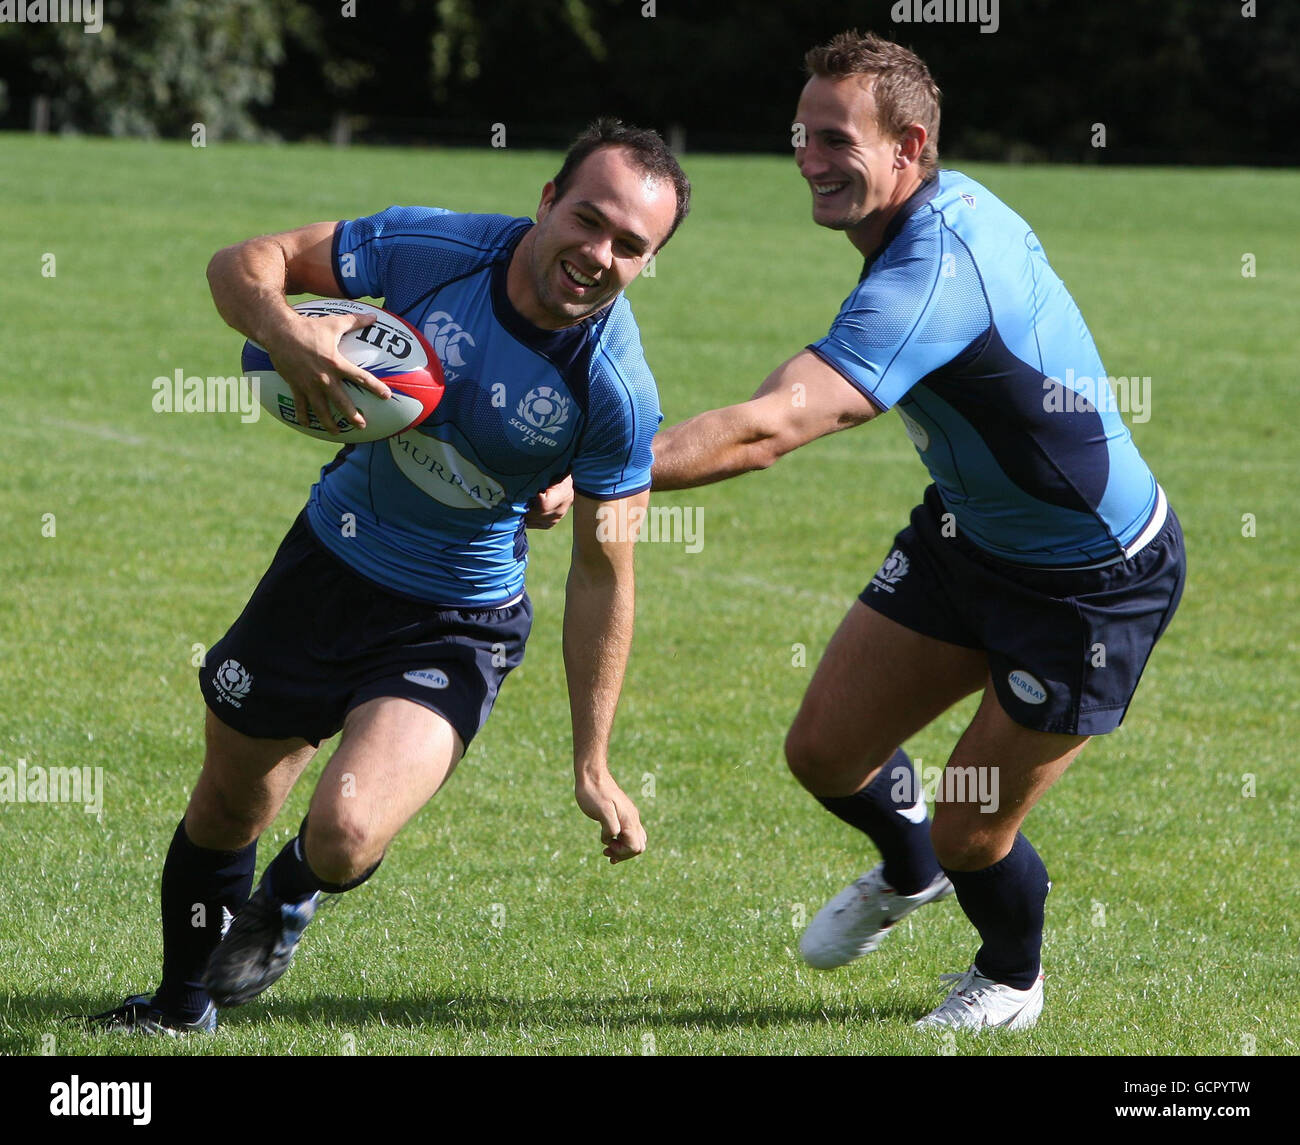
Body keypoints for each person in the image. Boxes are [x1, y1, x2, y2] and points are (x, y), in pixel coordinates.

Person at [86, 118, 690, 1035]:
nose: (599, 254)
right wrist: (284, 332)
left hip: (457, 618)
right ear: (546, 201)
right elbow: (241, 261)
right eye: (588, 219)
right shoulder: (429, 248)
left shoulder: (616, 389)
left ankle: (289, 897)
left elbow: (606, 576)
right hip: (328, 562)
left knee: (345, 830)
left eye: (631, 246)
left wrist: (593, 761)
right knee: (225, 804)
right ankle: (176, 1009)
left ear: (648, 263)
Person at [650, 32, 1185, 1031]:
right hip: (966, 536)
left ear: (910, 143)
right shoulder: (931, 215)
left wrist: (598, 467)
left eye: (835, 138)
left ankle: (1010, 978)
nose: (808, 157)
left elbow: (774, 426)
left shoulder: (932, 267)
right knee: (825, 750)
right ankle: (909, 872)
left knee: (972, 821)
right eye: (801, 134)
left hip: (1089, 583)